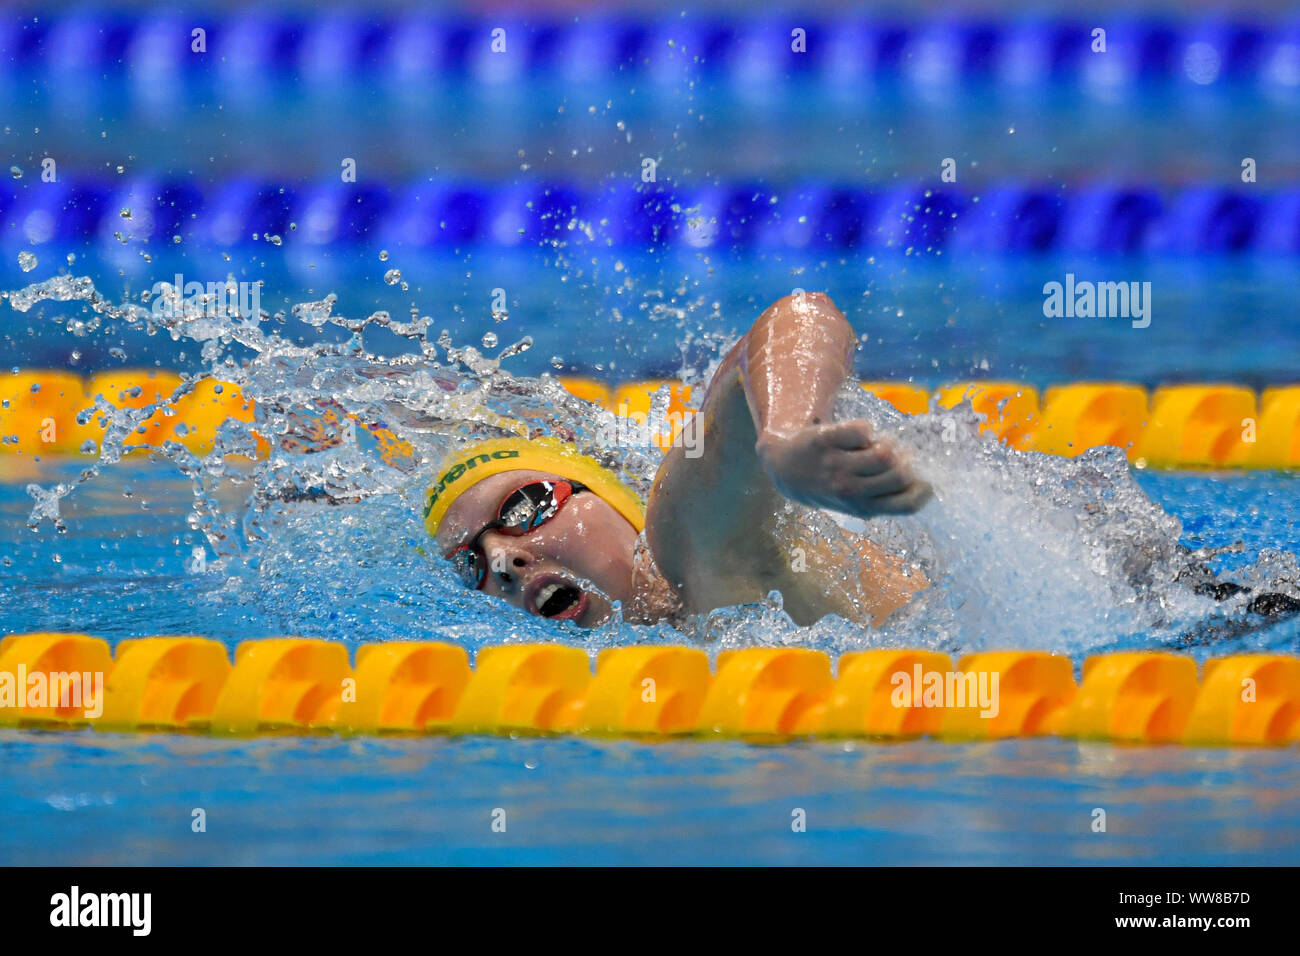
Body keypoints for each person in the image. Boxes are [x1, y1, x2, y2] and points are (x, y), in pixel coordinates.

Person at [424, 292, 933, 628]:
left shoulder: (684, 546)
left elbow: (801, 317)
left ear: (608, 497)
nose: (500, 562)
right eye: (469, 565)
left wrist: (787, 437)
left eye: (523, 509)